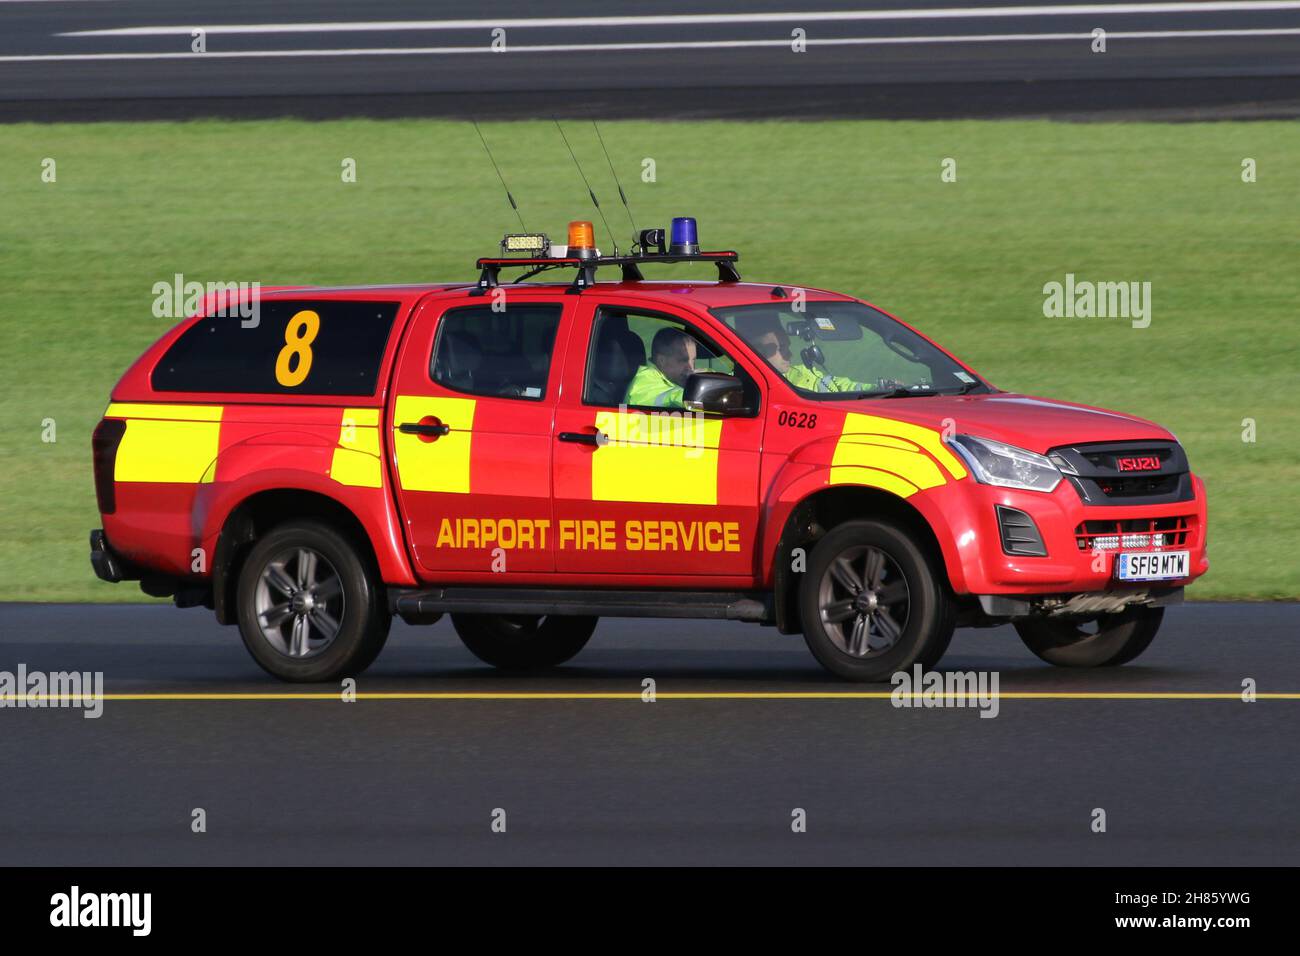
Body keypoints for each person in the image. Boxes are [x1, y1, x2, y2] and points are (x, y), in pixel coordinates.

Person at [751, 326, 868, 394]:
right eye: (781, 348)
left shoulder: (800, 374)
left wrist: (874, 389)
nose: (790, 354)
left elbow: (841, 386)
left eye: (787, 347)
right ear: (757, 350)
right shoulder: (736, 382)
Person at [624, 327, 697, 409]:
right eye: (683, 360)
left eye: (693, 360)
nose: (691, 368)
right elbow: (674, 396)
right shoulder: (644, 381)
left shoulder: (672, 379)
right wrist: (700, 400)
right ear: (662, 361)